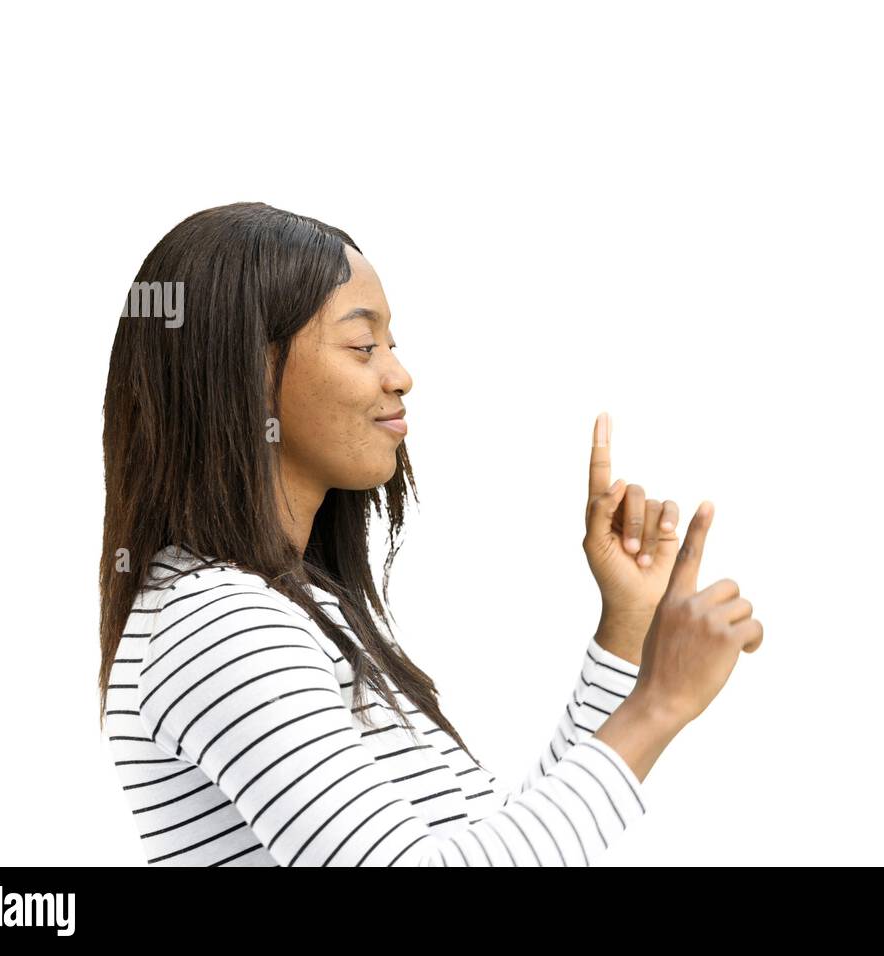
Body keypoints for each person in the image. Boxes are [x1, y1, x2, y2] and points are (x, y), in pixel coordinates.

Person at [99, 202, 763, 865]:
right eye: (363, 346)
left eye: (392, 345)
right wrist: (660, 703)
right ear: (249, 371)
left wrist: (627, 630)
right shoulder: (218, 621)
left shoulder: (300, 610)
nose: (399, 375)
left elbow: (488, 849)